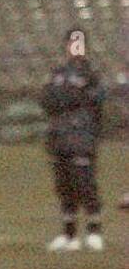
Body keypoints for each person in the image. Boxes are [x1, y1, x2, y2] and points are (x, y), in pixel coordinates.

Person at [41, 29, 105, 252]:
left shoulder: (91, 73)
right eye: (71, 42)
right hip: (59, 134)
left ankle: (94, 230)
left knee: (85, 183)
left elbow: (94, 101)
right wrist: (70, 98)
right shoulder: (57, 72)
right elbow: (47, 99)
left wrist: (70, 99)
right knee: (64, 185)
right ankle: (69, 234)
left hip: (81, 135)